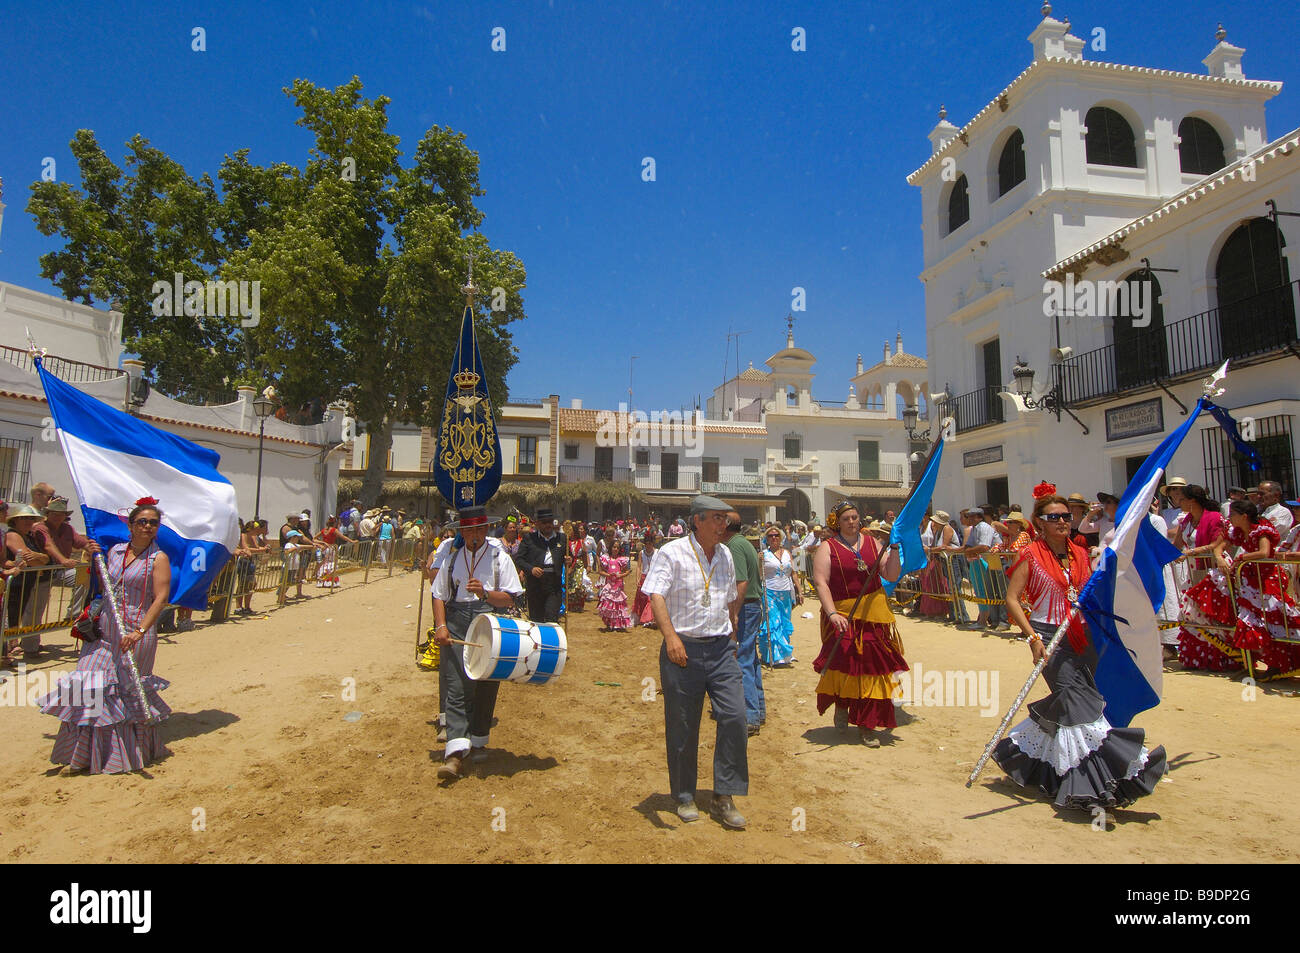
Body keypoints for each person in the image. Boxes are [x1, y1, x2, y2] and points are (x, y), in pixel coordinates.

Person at [991, 488, 1167, 811]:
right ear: (1039, 523)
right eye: (1053, 517)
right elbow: (1012, 600)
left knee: (1077, 708)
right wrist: (1032, 638)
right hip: (1050, 637)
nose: (1062, 521)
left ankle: (1025, 761)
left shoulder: (1081, 553)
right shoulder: (1029, 555)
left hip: (1083, 637)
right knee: (1079, 706)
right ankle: (1095, 786)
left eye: (1065, 516)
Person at [39, 497, 170, 773]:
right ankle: (82, 755)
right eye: (142, 522)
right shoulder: (115, 552)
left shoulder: (159, 558)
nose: (148, 527)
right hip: (105, 631)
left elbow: (161, 598)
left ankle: (118, 755)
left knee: (124, 693)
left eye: (153, 523)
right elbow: (107, 583)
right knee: (90, 686)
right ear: (130, 525)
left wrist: (139, 631)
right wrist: (93, 554)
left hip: (135, 633)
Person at [640, 494, 748, 829]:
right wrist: (670, 637)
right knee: (683, 725)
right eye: (717, 519)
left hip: (719, 650)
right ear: (697, 520)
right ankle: (684, 795)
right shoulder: (672, 553)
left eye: (725, 520)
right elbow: (655, 594)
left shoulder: (727, 555)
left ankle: (723, 796)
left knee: (735, 716)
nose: (723, 525)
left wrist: (731, 634)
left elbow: (731, 599)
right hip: (682, 649)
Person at [430, 506, 525, 780]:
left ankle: (479, 738)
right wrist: (441, 625)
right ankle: (455, 753)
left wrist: (484, 593)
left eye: (478, 529)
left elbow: (511, 598)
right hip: (457, 619)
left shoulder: (499, 559)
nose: (474, 535)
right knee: (456, 683)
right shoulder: (452, 558)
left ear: (486, 530)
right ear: (462, 532)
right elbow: (438, 594)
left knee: (485, 683)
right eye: (468, 530)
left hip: (488, 622)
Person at [811, 500, 905, 747]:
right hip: (844, 617)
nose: (851, 522)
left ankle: (867, 725)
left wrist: (894, 549)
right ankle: (842, 704)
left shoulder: (874, 544)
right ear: (837, 523)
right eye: (846, 519)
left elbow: (891, 575)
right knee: (847, 666)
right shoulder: (827, 548)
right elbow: (821, 582)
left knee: (873, 670)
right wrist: (832, 614)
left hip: (874, 618)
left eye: (854, 517)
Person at [1218, 500, 1300, 677]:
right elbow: (1220, 545)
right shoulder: (1238, 532)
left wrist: (1242, 558)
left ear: (1244, 516)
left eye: (1233, 514)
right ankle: (1257, 662)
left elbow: (1264, 552)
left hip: (1268, 580)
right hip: (1251, 582)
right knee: (1253, 620)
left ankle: (1280, 663)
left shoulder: (1261, 531)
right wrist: (1219, 557)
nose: (1230, 517)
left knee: (1275, 621)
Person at [723, 512, 765, 735]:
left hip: (746, 606)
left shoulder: (734, 547)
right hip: (753, 604)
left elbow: (741, 582)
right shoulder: (744, 544)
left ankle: (750, 716)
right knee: (752, 659)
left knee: (743, 661)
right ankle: (758, 708)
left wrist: (734, 615)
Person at [3, 504, 53, 665]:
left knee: (16, 617)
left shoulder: (30, 537)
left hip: (25, 583)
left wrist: (39, 556)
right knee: (8, 617)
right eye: (23, 518)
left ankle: (9, 648)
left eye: (30, 518)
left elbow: (45, 560)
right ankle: (7, 650)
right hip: (14, 584)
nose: (27, 521)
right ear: (15, 521)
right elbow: (28, 559)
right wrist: (40, 557)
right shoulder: (13, 535)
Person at [516, 507, 567, 623]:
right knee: (536, 619)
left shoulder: (562, 538)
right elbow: (519, 559)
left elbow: (569, 556)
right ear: (538, 523)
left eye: (550, 522)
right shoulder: (529, 538)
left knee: (551, 617)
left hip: (554, 583)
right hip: (535, 583)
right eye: (544, 522)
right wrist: (531, 569)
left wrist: (568, 560)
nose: (548, 525)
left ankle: (551, 641)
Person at [757, 523, 797, 667]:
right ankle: (773, 655)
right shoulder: (763, 555)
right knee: (773, 622)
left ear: (780, 537)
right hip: (769, 592)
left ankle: (785, 654)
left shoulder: (787, 553)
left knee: (784, 621)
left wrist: (798, 590)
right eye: (770, 536)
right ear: (766, 539)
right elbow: (759, 574)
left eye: (776, 535)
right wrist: (759, 560)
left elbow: (793, 572)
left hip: (786, 591)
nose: (774, 538)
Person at [918, 511, 957, 618]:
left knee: (948, 587)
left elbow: (943, 546)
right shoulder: (938, 531)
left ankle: (955, 614)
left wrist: (929, 550)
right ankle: (935, 611)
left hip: (948, 560)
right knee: (931, 585)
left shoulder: (947, 529)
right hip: (936, 559)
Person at [596, 538, 634, 631]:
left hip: (618, 586)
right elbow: (600, 571)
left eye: (617, 547)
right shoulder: (606, 559)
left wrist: (620, 575)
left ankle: (617, 624)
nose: (615, 549)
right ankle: (609, 623)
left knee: (618, 605)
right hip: (609, 585)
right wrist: (609, 575)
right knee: (609, 604)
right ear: (610, 548)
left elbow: (626, 572)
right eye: (614, 547)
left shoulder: (622, 560)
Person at [631, 529, 659, 626]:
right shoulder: (641, 553)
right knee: (640, 598)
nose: (648, 545)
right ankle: (640, 616)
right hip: (644, 577)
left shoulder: (657, 553)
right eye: (646, 543)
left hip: (653, 578)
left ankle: (651, 618)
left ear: (653, 543)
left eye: (650, 543)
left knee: (650, 599)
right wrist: (637, 579)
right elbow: (639, 566)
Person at [566, 521, 591, 612]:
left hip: (579, 565)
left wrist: (587, 566)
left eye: (571, 530)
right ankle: (571, 605)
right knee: (569, 585)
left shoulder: (580, 542)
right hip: (568, 566)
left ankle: (579, 605)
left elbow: (585, 554)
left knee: (578, 585)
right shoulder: (566, 542)